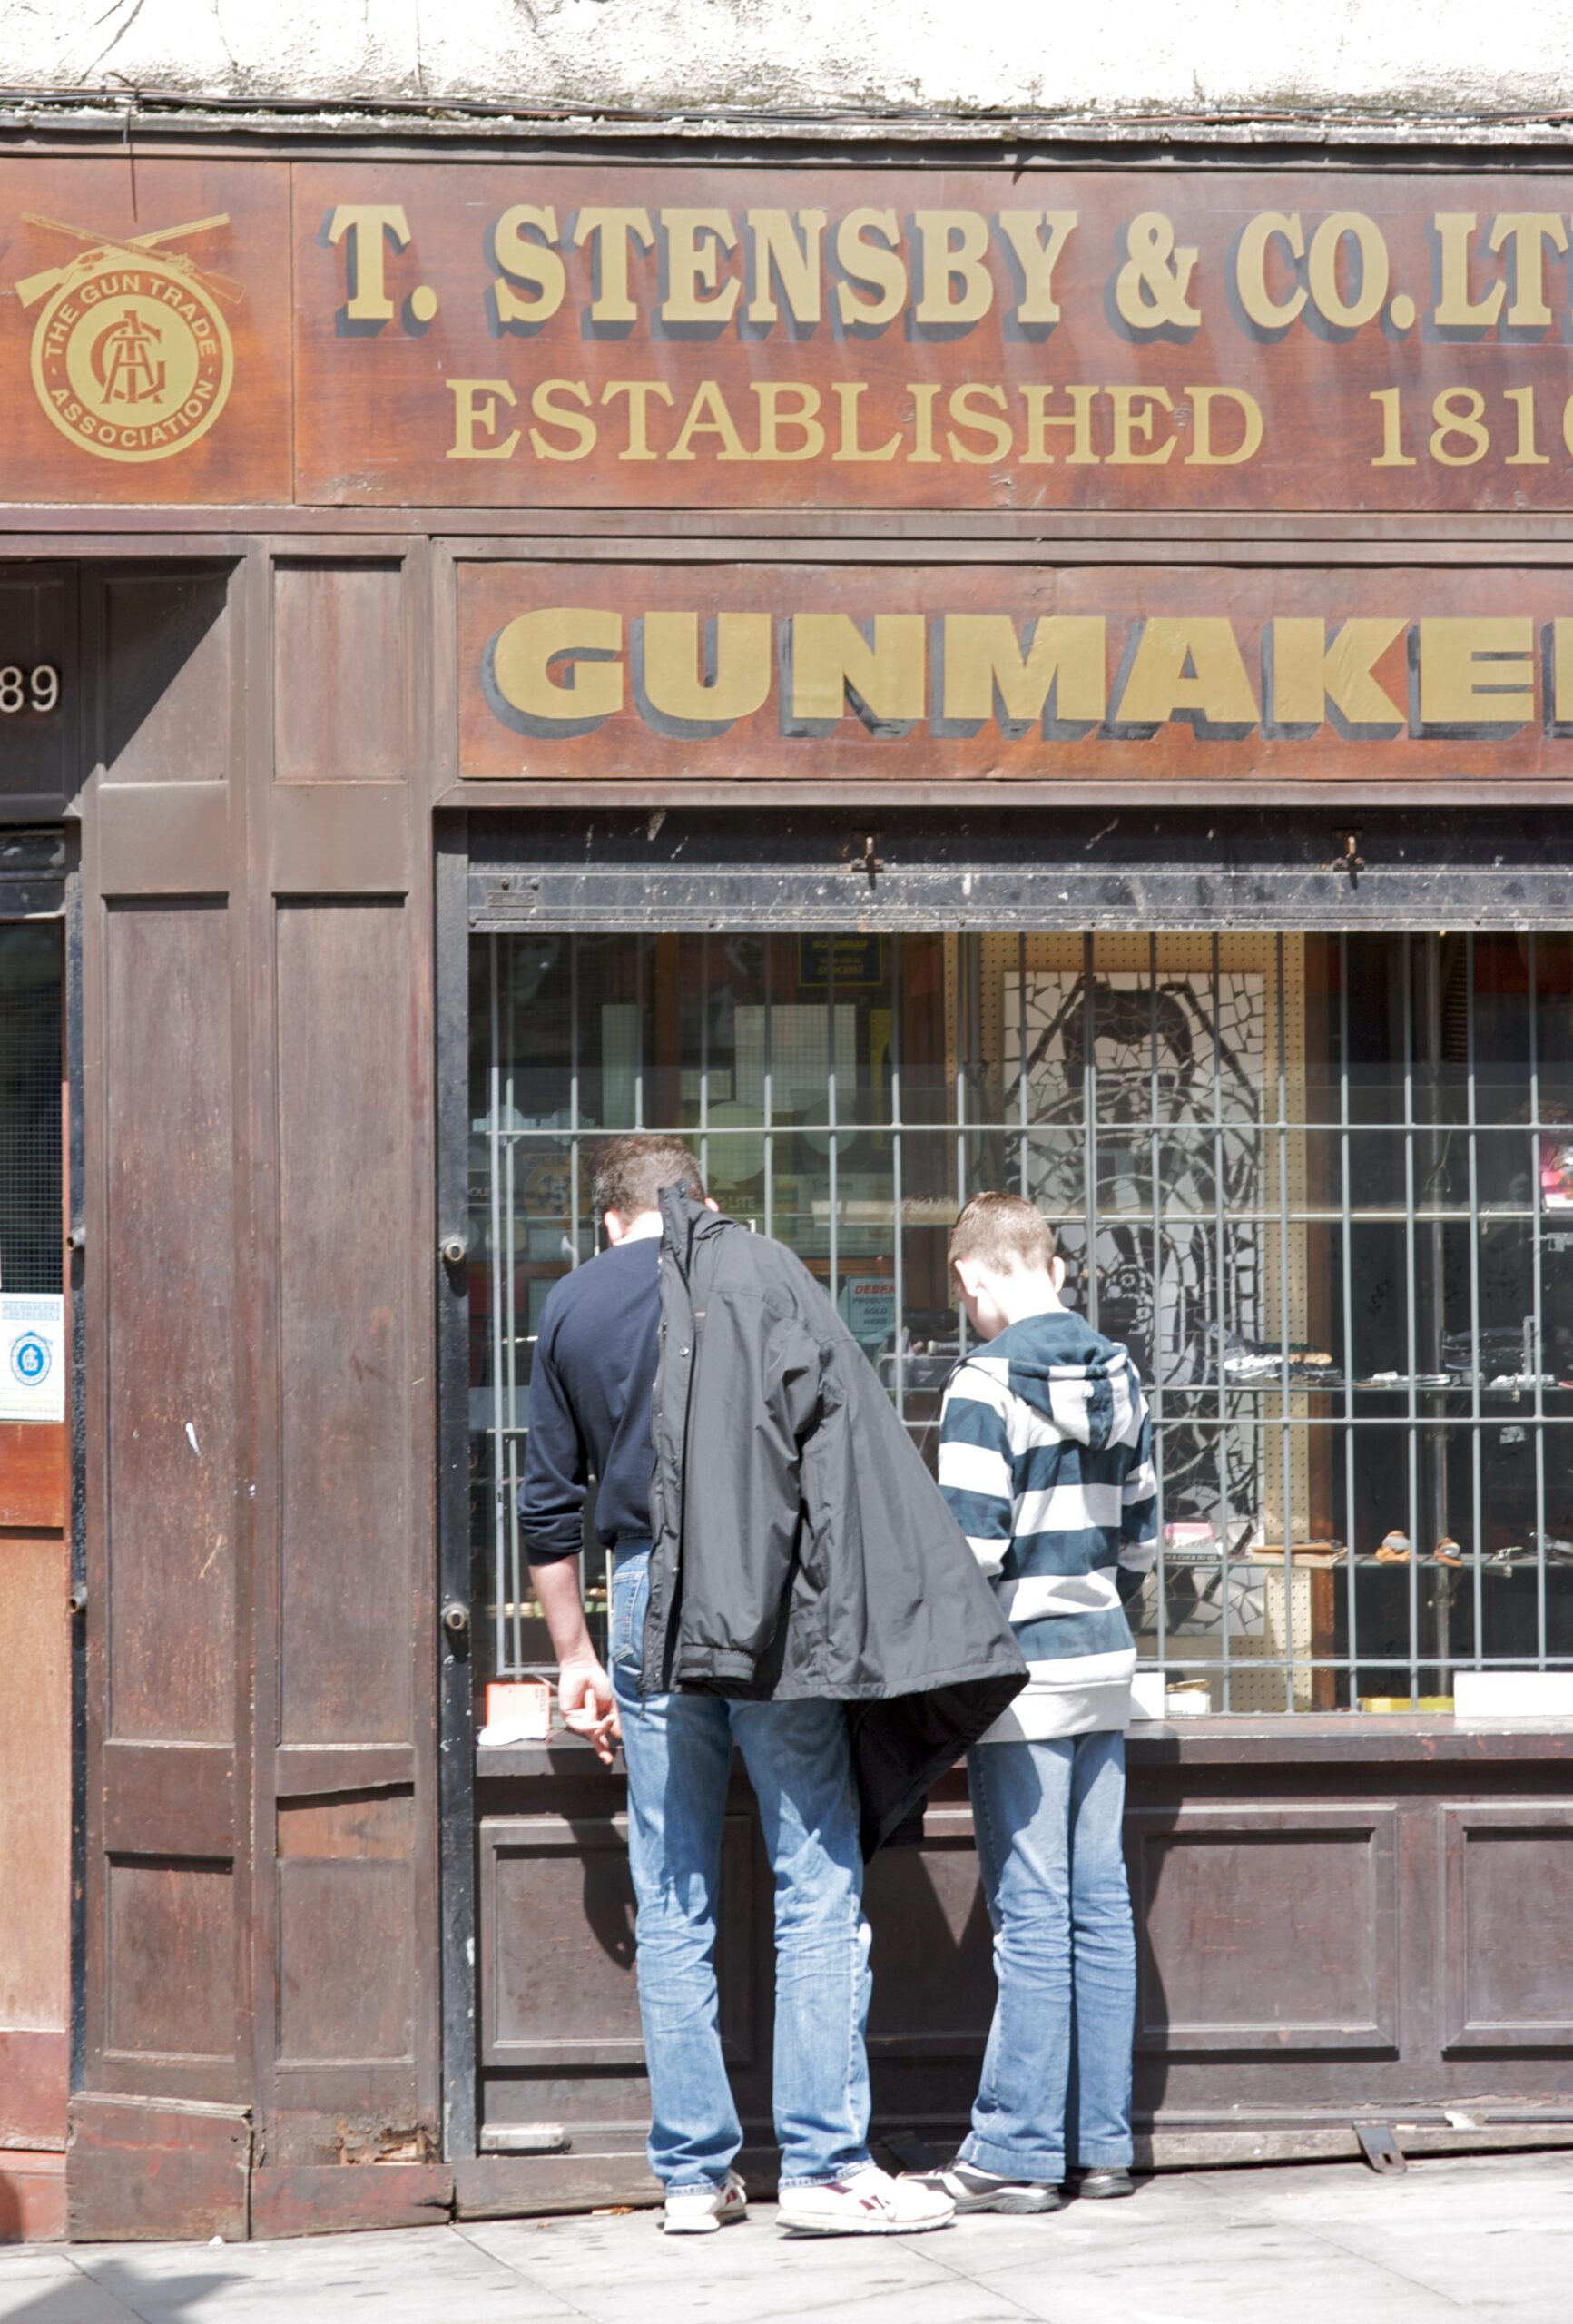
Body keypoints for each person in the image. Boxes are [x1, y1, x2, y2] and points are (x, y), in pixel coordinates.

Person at [519, 1134, 970, 2240]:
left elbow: (544, 1505)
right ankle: (821, 2163)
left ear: (605, 1216)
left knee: (668, 1888)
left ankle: (689, 2174)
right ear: (698, 1200)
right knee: (811, 1870)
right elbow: (832, 1442)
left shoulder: (571, 1307)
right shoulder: (751, 1266)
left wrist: (576, 1656)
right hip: (766, 1592)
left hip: (638, 1595)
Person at [909, 1192, 1157, 2215]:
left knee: (1031, 1909)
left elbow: (967, 1554)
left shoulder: (980, 1381)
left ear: (972, 1278)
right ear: (1050, 1266)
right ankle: (1099, 2145)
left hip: (1021, 1678)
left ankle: (1014, 2150)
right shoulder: (1122, 1372)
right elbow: (1141, 1539)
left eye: (962, 1292)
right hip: (1104, 1663)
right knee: (1100, 1907)